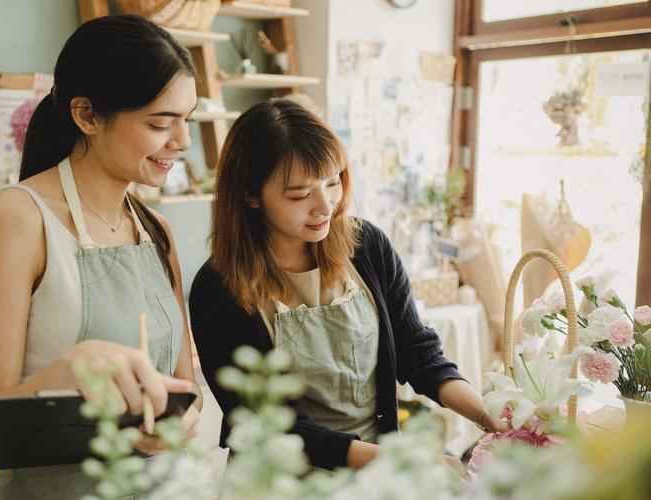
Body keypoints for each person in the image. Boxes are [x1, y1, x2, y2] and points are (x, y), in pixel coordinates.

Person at [188, 99, 503, 471]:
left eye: (333, 181)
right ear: (250, 196)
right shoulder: (219, 288)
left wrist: (488, 415)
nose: (325, 205)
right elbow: (266, 426)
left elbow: (416, 350)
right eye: (299, 194)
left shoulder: (366, 246)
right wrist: (394, 461)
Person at [0, 15, 201, 499]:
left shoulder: (156, 231)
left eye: (188, 120)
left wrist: (174, 426)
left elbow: (186, 391)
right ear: (87, 115)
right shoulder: (16, 218)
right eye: (161, 123)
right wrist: (67, 373)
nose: (183, 142)